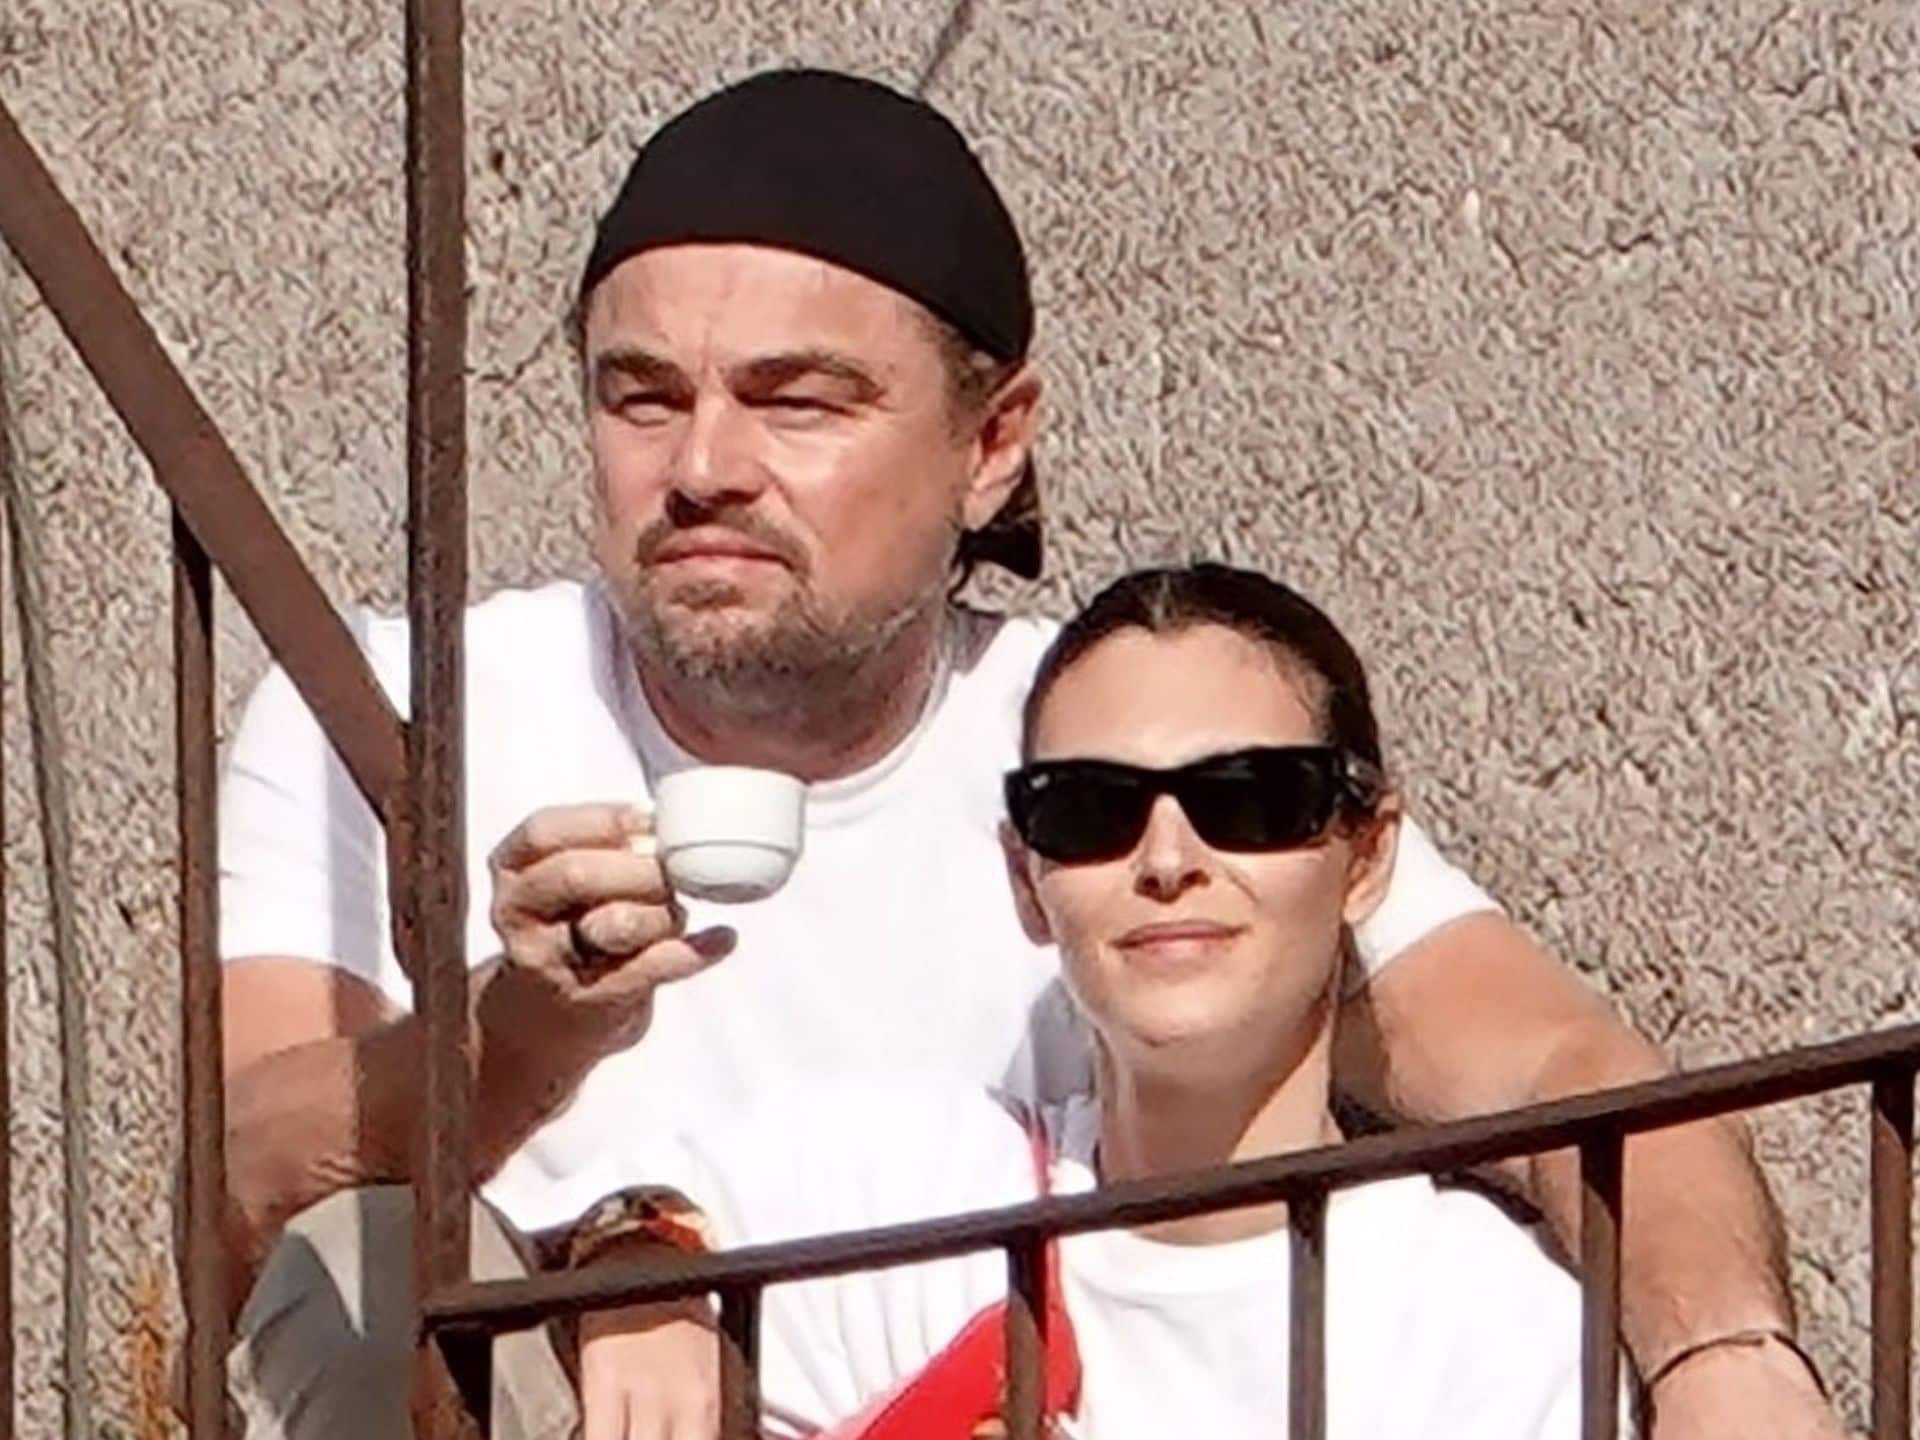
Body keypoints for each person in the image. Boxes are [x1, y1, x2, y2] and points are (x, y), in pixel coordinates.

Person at [211, 69, 1834, 1440]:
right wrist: (521, 1042)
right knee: (365, 1269)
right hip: (584, 1395)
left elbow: (1568, 1080)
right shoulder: (401, 704)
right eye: (641, 398)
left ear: (992, 445)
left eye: (797, 402)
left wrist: (1726, 1361)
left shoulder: (1112, 760)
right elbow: (245, 1196)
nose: (703, 467)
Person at [564, 563, 1602, 1439]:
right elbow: (617, 1216)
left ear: (1366, 857)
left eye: (1251, 799)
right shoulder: (917, 1176)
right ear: (1027, 880)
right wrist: (643, 1274)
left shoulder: (1487, 1320)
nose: (1167, 860)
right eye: (1090, 811)